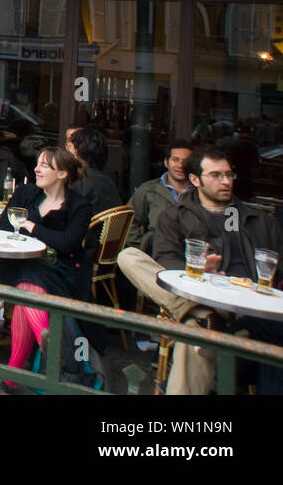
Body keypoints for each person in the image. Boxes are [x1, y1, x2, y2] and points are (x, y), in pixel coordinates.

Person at [118, 146, 283, 394]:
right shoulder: (175, 217)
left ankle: (198, 319)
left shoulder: (260, 221)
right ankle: (201, 315)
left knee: (192, 337)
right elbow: (165, 260)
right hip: (200, 292)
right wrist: (195, 272)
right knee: (128, 256)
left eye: (228, 174)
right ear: (195, 180)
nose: (226, 181)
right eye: (216, 175)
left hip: (245, 309)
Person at [0, 147, 98, 389]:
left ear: (62, 174)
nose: (36, 169)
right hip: (18, 263)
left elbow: (67, 243)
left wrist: (31, 226)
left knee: (27, 290)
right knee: (28, 279)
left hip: (60, 270)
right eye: (37, 163)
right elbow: (5, 229)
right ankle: (48, 345)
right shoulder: (26, 193)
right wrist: (39, 235)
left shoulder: (80, 205)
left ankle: (12, 377)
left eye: (44, 166)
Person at [126, 138, 194, 251]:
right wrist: (143, 245)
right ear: (166, 162)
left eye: (186, 161)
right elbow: (128, 220)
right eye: (175, 160)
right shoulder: (149, 189)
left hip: (190, 253)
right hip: (156, 251)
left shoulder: (200, 192)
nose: (180, 165)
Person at [65, 124, 122, 213]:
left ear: (77, 151)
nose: (66, 150)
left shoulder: (78, 182)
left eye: (69, 147)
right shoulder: (107, 179)